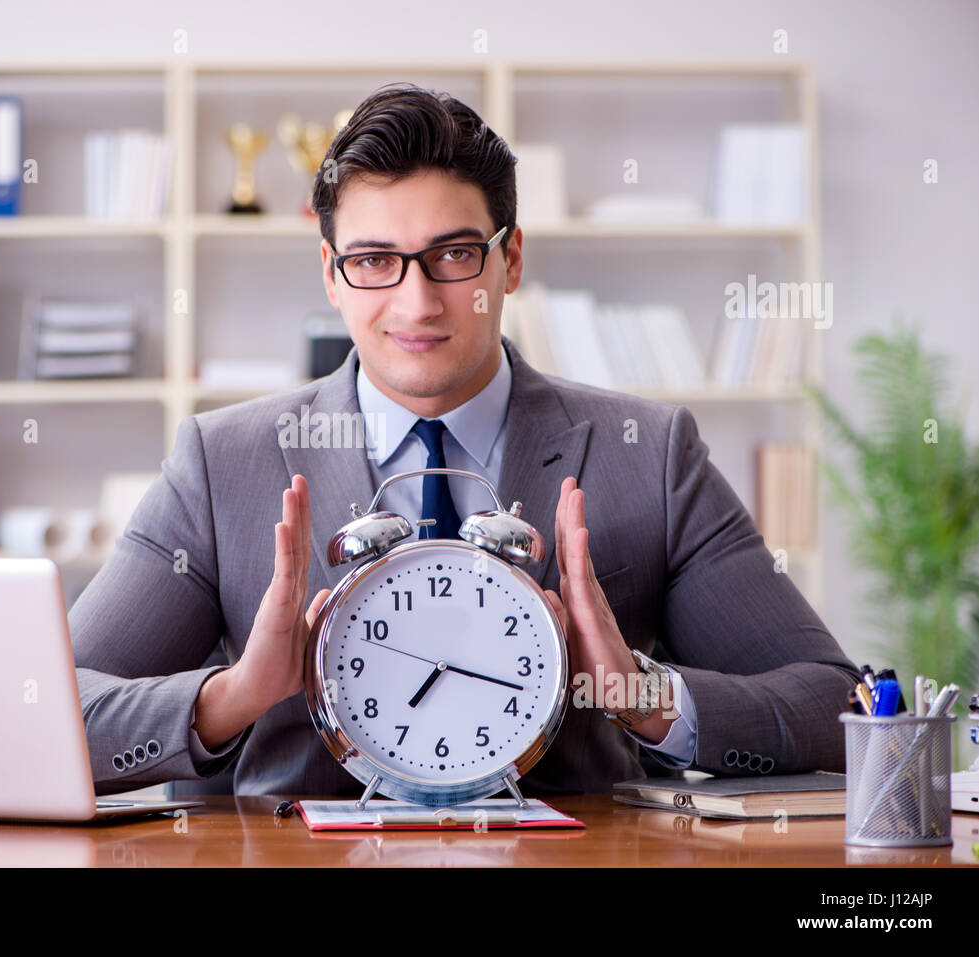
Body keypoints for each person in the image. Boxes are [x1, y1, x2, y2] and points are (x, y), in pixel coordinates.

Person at [69, 82, 860, 797]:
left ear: (509, 260)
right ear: (331, 274)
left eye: (453, 255)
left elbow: (838, 704)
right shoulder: (222, 462)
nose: (417, 303)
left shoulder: (647, 454)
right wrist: (233, 694)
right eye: (375, 260)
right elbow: (50, 701)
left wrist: (638, 693)